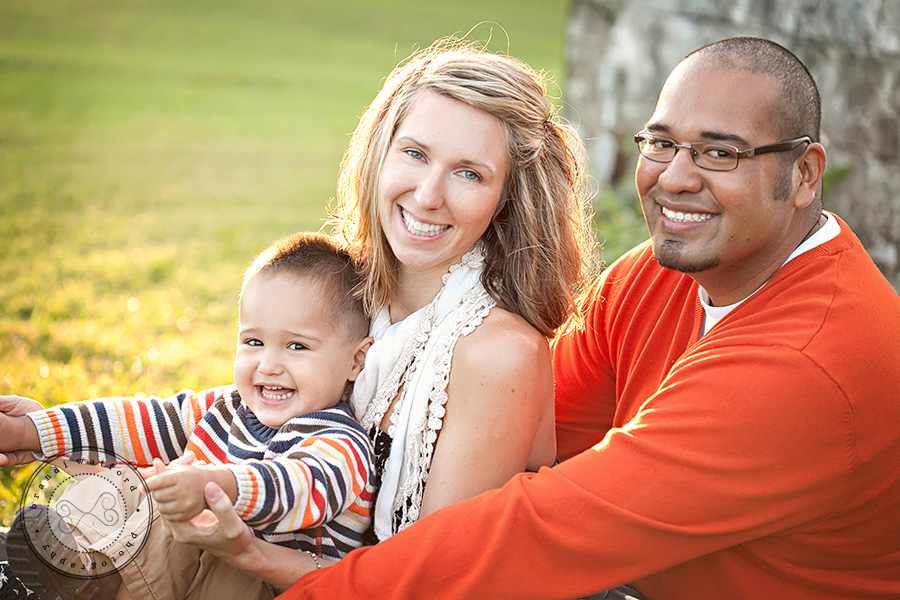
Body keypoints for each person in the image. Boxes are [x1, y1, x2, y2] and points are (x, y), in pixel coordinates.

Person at [161, 36, 900, 599]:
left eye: (721, 153)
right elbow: (538, 443)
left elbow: (540, 529)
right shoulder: (656, 277)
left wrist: (290, 580)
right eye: (663, 143)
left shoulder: (805, 362)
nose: (676, 177)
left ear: (803, 175)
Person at [90, 36, 595, 591]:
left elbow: (430, 581)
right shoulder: (352, 290)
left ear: (509, 197)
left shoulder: (496, 353)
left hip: (382, 589)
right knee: (128, 490)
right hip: (294, 559)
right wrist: (49, 432)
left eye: (469, 173)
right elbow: (240, 418)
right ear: (381, 152)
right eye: (415, 154)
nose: (427, 195)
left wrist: (252, 552)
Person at [0, 231, 375, 599]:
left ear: (356, 361)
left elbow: (295, 489)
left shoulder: (342, 442)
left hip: (266, 586)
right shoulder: (226, 408)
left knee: (182, 512)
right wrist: (29, 430)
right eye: (254, 342)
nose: (269, 364)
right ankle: (66, 572)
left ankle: (85, 584)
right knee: (120, 480)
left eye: (297, 345)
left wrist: (214, 485)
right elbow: (136, 422)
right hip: (190, 574)